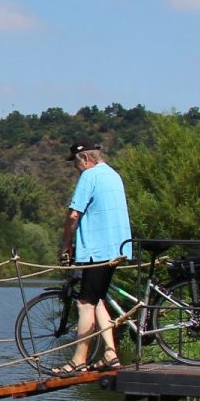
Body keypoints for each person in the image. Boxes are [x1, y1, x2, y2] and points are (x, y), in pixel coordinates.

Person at [57, 139, 133, 374]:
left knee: (85, 304)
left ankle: (78, 360)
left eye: (76, 163)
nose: (75, 168)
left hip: (96, 251)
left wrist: (66, 244)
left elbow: (73, 215)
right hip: (117, 248)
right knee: (97, 299)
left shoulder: (89, 176)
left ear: (86, 159)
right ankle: (110, 353)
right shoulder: (113, 175)